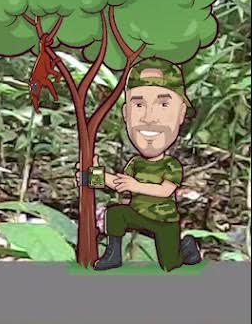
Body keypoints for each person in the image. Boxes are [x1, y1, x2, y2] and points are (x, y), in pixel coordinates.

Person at [78, 57, 202, 271]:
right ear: (126, 113)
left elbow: (165, 191)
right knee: (116, 214)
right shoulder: (135, 163)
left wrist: (135, 186)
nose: (149, 117)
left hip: (163, 221)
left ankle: (186, 247)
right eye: (139, 105)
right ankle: (113, 255)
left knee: (170, 264)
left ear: (181, 113)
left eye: (163, 104)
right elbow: (119, 183)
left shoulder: (171, 165)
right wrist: (90, 175)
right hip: (138, 215)